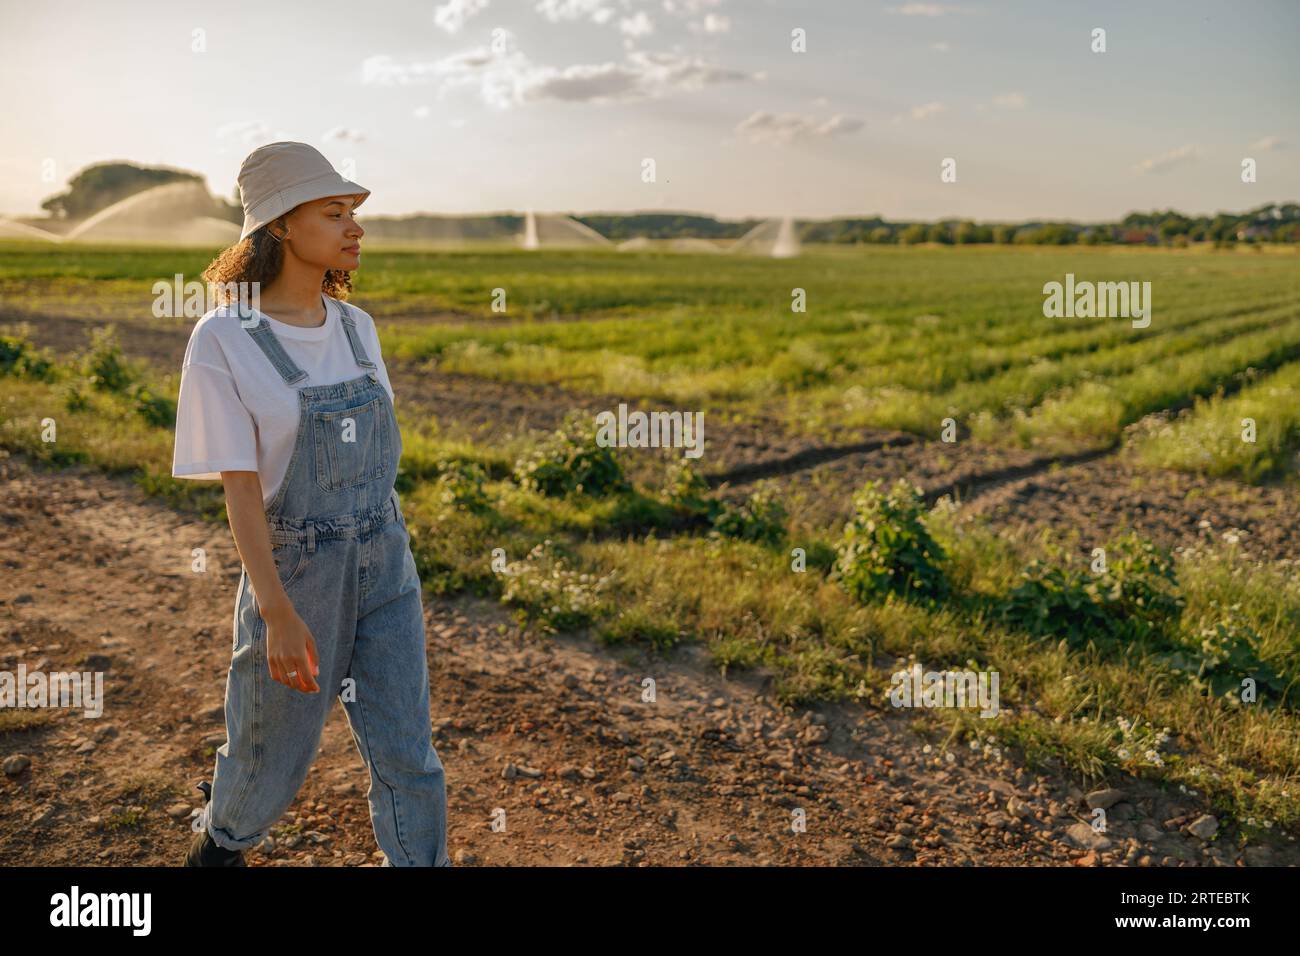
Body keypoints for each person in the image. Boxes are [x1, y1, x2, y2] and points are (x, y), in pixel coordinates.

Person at [172, 141, 449, 867]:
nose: (356, 227)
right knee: (270, 762)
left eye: (353, 212)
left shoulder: (359, 328)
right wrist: (277, 613)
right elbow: (241, 491)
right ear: (282, 226)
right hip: (295, 572)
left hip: (385, 555)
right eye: (335, 212)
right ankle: (219, 850)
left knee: (409, 755)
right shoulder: (224, 338)